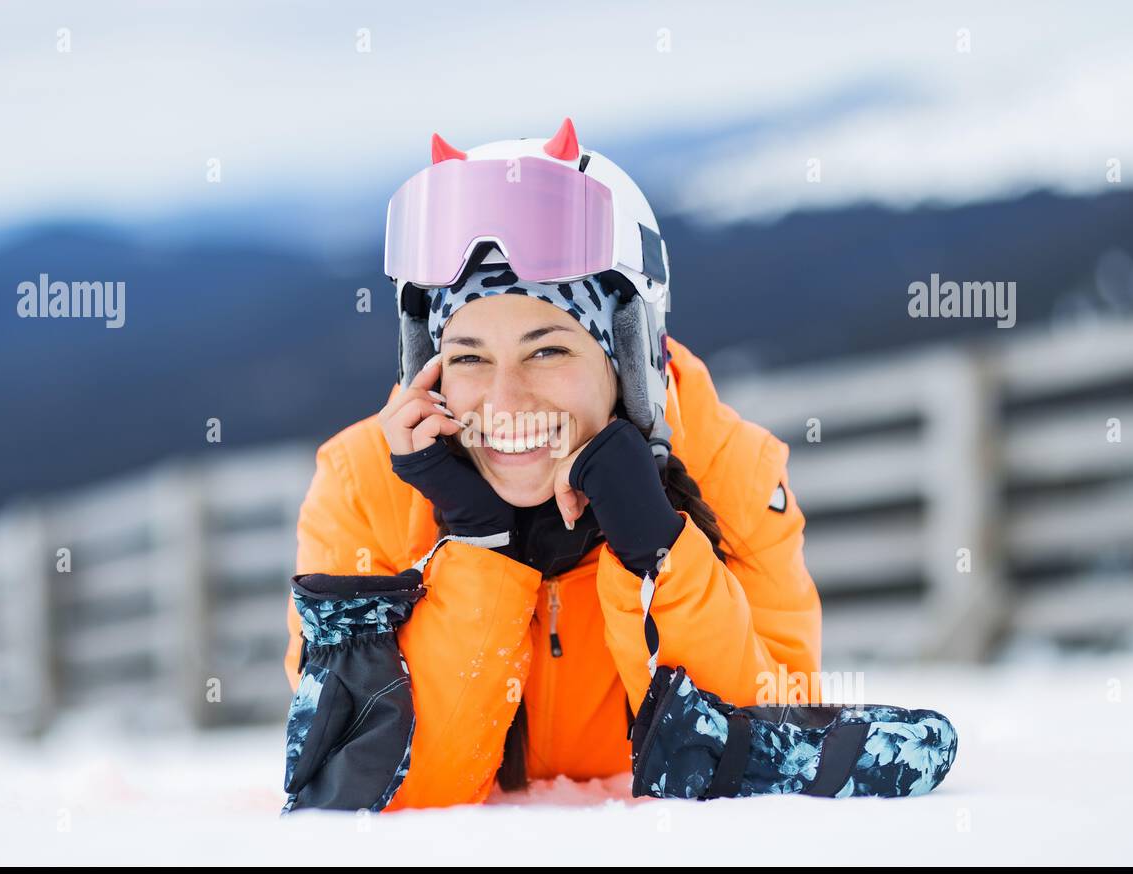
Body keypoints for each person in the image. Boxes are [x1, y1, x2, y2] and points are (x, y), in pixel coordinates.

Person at [283, 118, 823, 811]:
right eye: (469, 356)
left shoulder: (733, 470)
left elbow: (772, 764)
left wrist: (655, 547)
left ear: (629, 362)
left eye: (548, 349)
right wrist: (475, 544)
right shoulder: (362, 488)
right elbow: (360, 786)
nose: (504, 400)